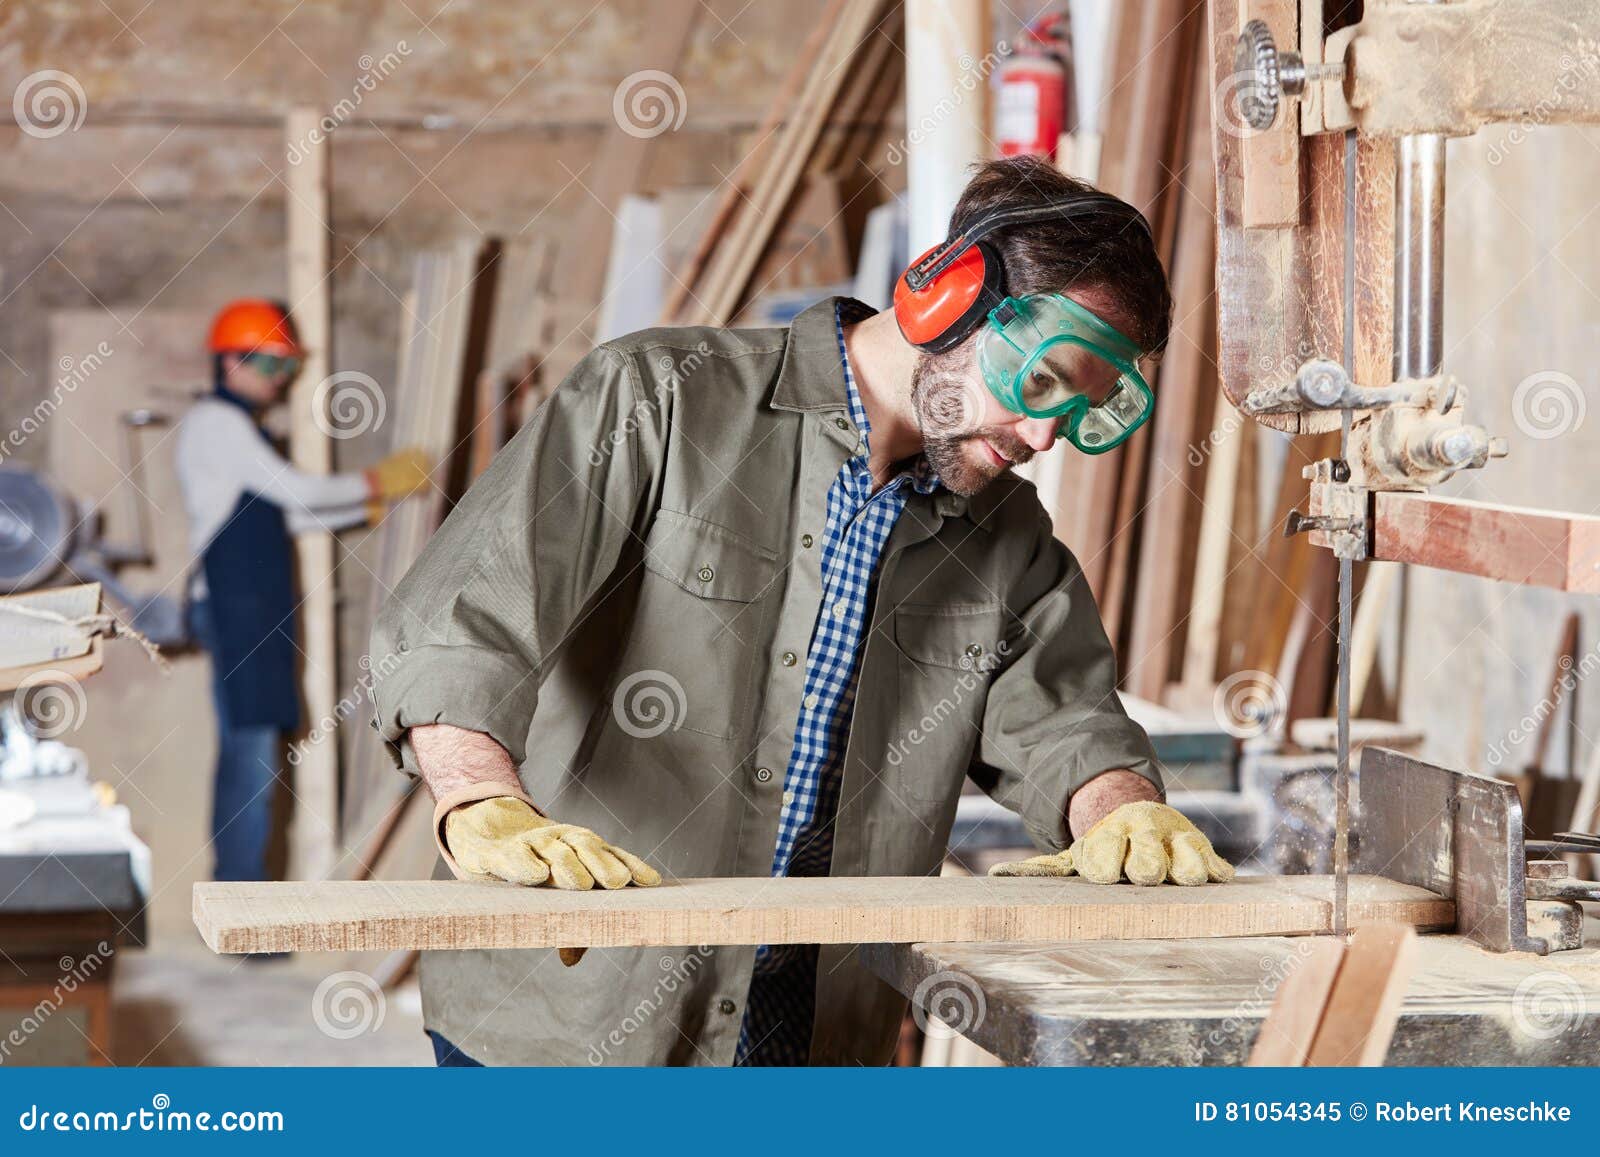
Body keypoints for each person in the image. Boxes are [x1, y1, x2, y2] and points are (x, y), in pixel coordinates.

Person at [370, 157, 1233, 1066]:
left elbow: (1066, 724)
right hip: (571, 1019)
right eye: (1042, 381)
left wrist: (1121, 811)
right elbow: (466, 616)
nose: (1045, 434)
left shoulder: (1007, 537)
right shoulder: (660, 398)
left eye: (1081, 409)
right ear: (947, 297)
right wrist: (479, 797)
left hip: (814, 1031)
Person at [176, 299, 428, 886]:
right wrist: (376, 481)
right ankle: (239, 895)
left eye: (286, 368)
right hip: (235, 608)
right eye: (270, 365)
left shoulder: (240, 428)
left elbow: (282, 517)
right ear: (230, 362)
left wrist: (367, 506)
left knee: (254, 752)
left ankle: (238, 893)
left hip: (249, 609)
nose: (280, 380)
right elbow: (295, 492)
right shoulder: (218, 424)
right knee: (250, 758)